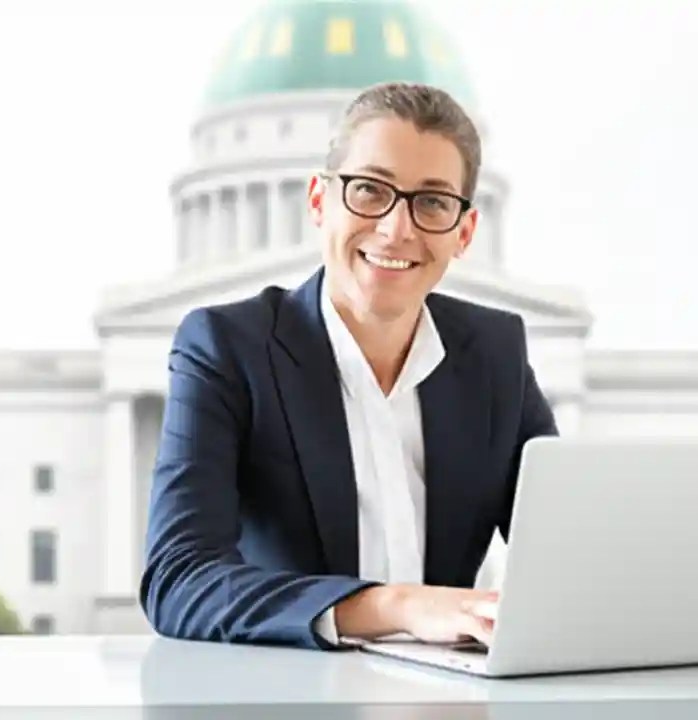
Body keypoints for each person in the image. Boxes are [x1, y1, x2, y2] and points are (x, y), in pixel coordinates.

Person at [140, 81, 557, 650]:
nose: (396, 229)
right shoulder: (225, 348)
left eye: (432, 202)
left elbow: (564, 558)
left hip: (449, 701)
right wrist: (398, 604)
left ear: (464, 233)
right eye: (369, 190)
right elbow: (178, 581)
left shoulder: (496, 354)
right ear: (318, 200)